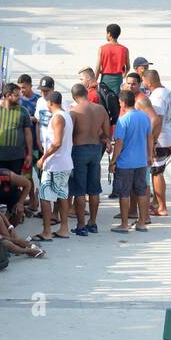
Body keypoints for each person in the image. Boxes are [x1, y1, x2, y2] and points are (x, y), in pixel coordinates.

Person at [69, 83, 110, 234]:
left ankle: (81, 226)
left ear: (74, 97)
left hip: (79, 149)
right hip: (95, 150)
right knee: (94, 189)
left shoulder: (74, 111)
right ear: (86, 93)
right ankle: (92, 223)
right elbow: (106, 134)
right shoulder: (100, 109)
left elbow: (70, 135)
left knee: (79, 190)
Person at [110, 88, 153, 233]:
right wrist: (150, 156)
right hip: (141, 162)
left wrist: (113, 161)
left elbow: (119, 143)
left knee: (124, 193)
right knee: (141, 191)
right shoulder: (145, 117)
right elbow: (150, 137)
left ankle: (124, 224)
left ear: (122, 102)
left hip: (125, 163)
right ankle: (141, 222)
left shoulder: (123, 120)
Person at [36, 91, 74, 240]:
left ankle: (47, 232)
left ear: (50, 103)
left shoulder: (58, 117)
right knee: (62, 195)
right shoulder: (66, 116)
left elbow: (57, 142)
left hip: (55, 164)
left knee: (45, 197)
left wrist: (43, 158)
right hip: (63, 162)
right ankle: (64, 228)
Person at [144, 69, 171, 216]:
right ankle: (156, 202)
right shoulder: (166, 91)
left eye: (143, 81)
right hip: (170, 136)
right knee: (157, 171)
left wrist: (152, 141)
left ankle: (162, 207)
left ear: (149, 82)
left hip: (161, 139)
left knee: (157, 172)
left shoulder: (157, 97)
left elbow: (157, 120)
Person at [96, 23, 128, 95]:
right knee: (116, 100)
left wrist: (94, 81)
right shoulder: (124, 49)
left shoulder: (102, 49)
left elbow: (98, 68)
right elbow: (128, 67)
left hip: (106, 79)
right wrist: (124, 75)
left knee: (104, 98)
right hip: (118, 79)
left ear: (109, 34)